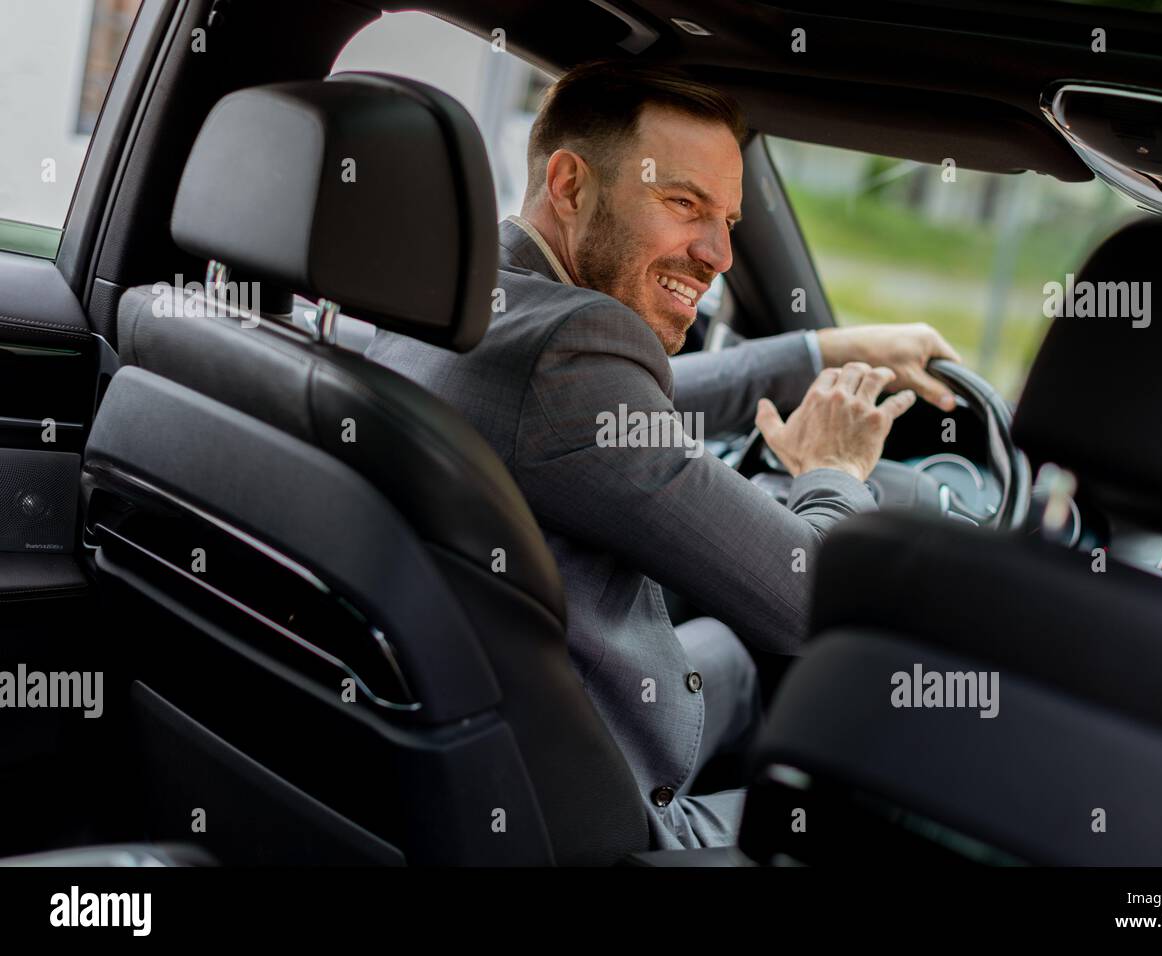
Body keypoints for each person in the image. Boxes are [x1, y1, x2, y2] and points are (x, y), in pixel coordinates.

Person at [367, 60, 961, 848]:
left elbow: (625, 403)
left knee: (743, 671)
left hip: (489, 744)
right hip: (607, 820)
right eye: (683, 204)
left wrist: (820, 349)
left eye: (729, 221)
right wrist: (833, 470)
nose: (718, 253)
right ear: (571, 185)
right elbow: (808, 602)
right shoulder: (570, 358)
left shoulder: (457, 302)